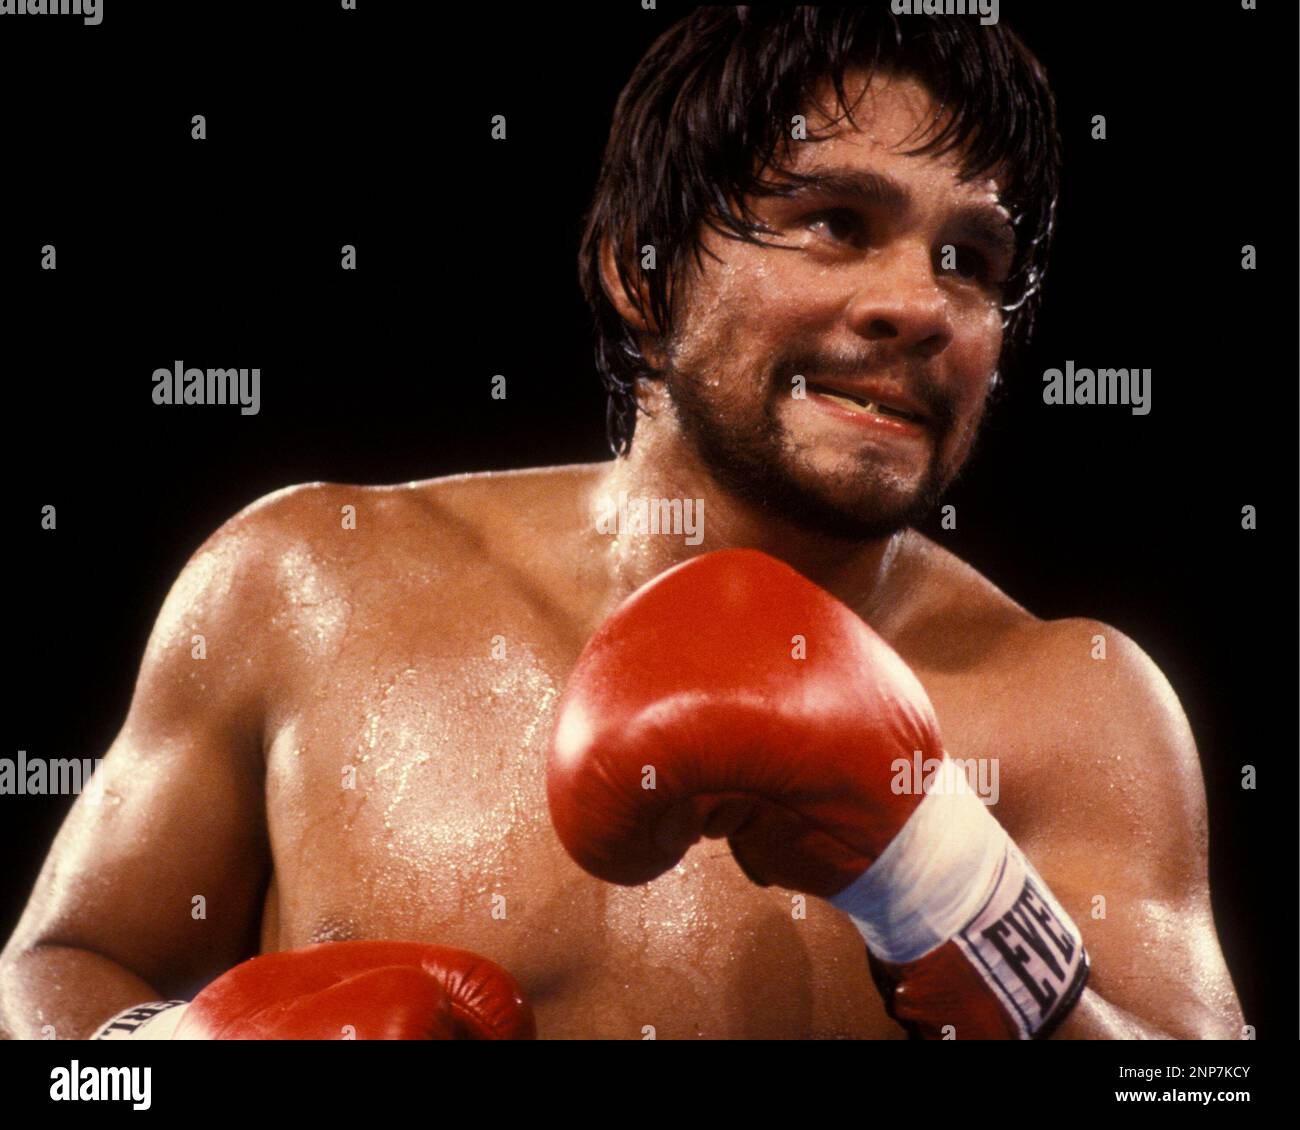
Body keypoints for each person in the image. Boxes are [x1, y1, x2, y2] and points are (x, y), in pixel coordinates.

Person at [0, 7, 1242, 1039]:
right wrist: (177, 1054)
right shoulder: (303, 582)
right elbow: (55, 984)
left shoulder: (1081, 708)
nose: (917, 303)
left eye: (968, 258)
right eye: (835, 223)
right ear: (638, 271)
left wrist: (942, 878)